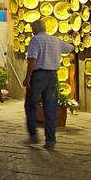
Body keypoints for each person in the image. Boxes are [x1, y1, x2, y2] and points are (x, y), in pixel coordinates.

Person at [23, 18, 73, 150]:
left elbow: (32, 59)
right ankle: (51, 141)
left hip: (38, 76)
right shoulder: (55, 40)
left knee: (30, 104)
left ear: (34, 29)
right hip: (52, 76)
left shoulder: (35, 40)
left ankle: (33, 135)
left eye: (32, 29)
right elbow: (70, 48)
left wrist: (27, 77)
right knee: (50, 108)